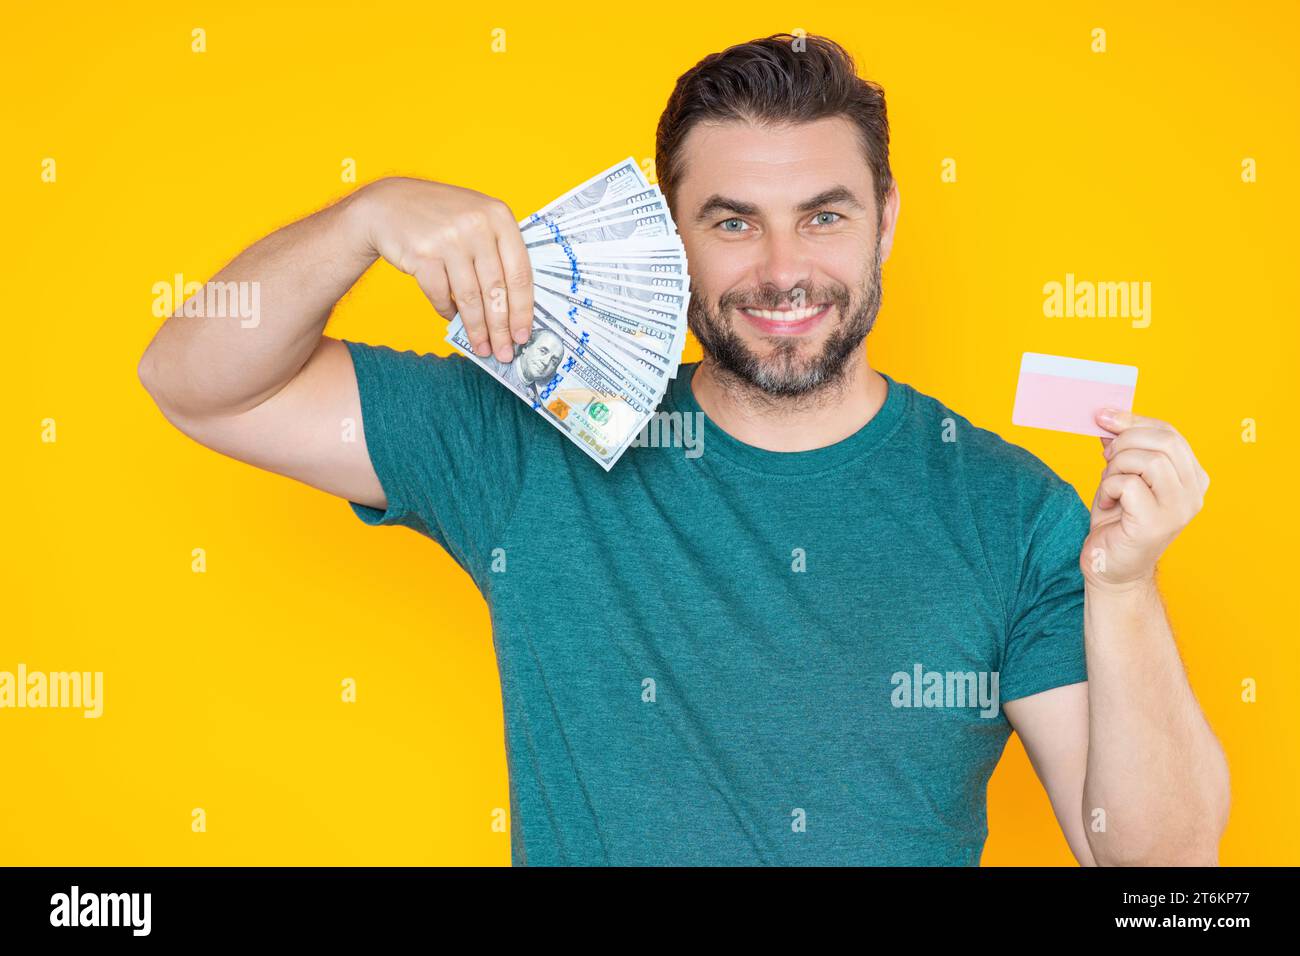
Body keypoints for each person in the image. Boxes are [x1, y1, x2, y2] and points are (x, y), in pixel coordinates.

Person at [138, 33, 1228, 866]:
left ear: (886, 221)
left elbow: (1158, 867)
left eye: (824, 216)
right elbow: (197, 382)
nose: (783, 268)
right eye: (733, 220)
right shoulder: (533, 439)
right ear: (669, 233)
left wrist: (1123, 592)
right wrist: (359, 219)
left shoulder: (1011, 511)